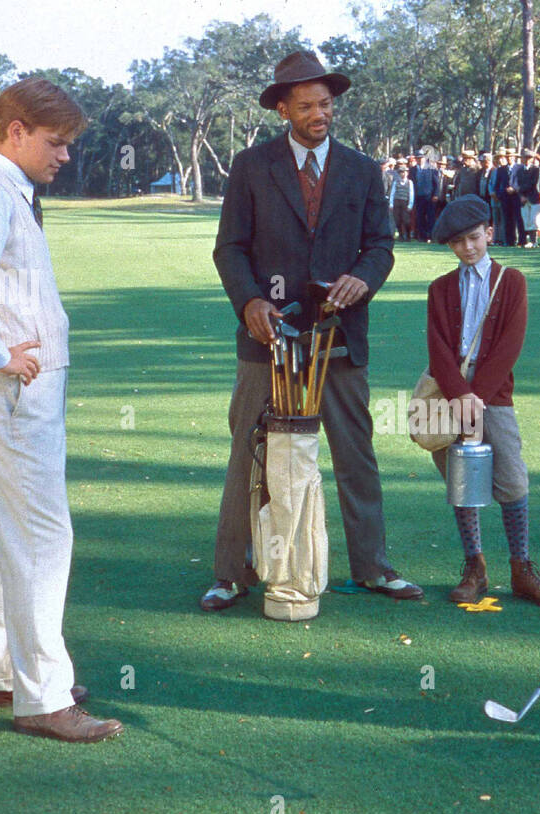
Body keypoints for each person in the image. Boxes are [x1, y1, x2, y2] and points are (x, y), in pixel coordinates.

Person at [0, 77, 121, 743]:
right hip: (15, 391)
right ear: (14, 132)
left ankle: (4, 671)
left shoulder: (9, 191)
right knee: (43, 535)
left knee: (8, 532)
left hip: (17, 390)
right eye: (55, 142)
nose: (64, 155)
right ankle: (42, 695)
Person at [204, 50, 423, 612]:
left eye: (325, 103)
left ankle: (372, 567)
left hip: (339, 336)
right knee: (247, 452)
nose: (319, 114)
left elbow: (381, 246)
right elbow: (229, 248)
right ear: (283, 109)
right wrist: (250, 301)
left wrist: (361, 279)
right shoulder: (252, 167)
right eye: (305, 106)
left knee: (356, 452)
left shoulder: (361, 168)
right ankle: (232, 572)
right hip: (266, 336)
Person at [422, 196, 540, 609]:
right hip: (450, 396)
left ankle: (521, 568)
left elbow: (509, 346)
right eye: (457, 242)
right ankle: (475, 567)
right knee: (462, 481)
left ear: (489, 233)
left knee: (512, 478)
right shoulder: (440, 289)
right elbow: (438, 350)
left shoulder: (512, 281)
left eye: (473, 237)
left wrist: (477, 398)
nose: (467, 248)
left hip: (493, 396)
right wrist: (460, 397)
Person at [388, 160, 415, 240]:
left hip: (405, 202)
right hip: (397, 202)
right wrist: (391, 204)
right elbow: (392, 193)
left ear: (407, 173)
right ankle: (401, 235)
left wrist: (410, 205)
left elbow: (411, 194)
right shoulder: (396, 182)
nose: (403, 174)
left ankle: (408, 235)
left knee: (406, 220)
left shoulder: (410, 182)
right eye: (401, 172)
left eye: (405, 172)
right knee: (397, 220)